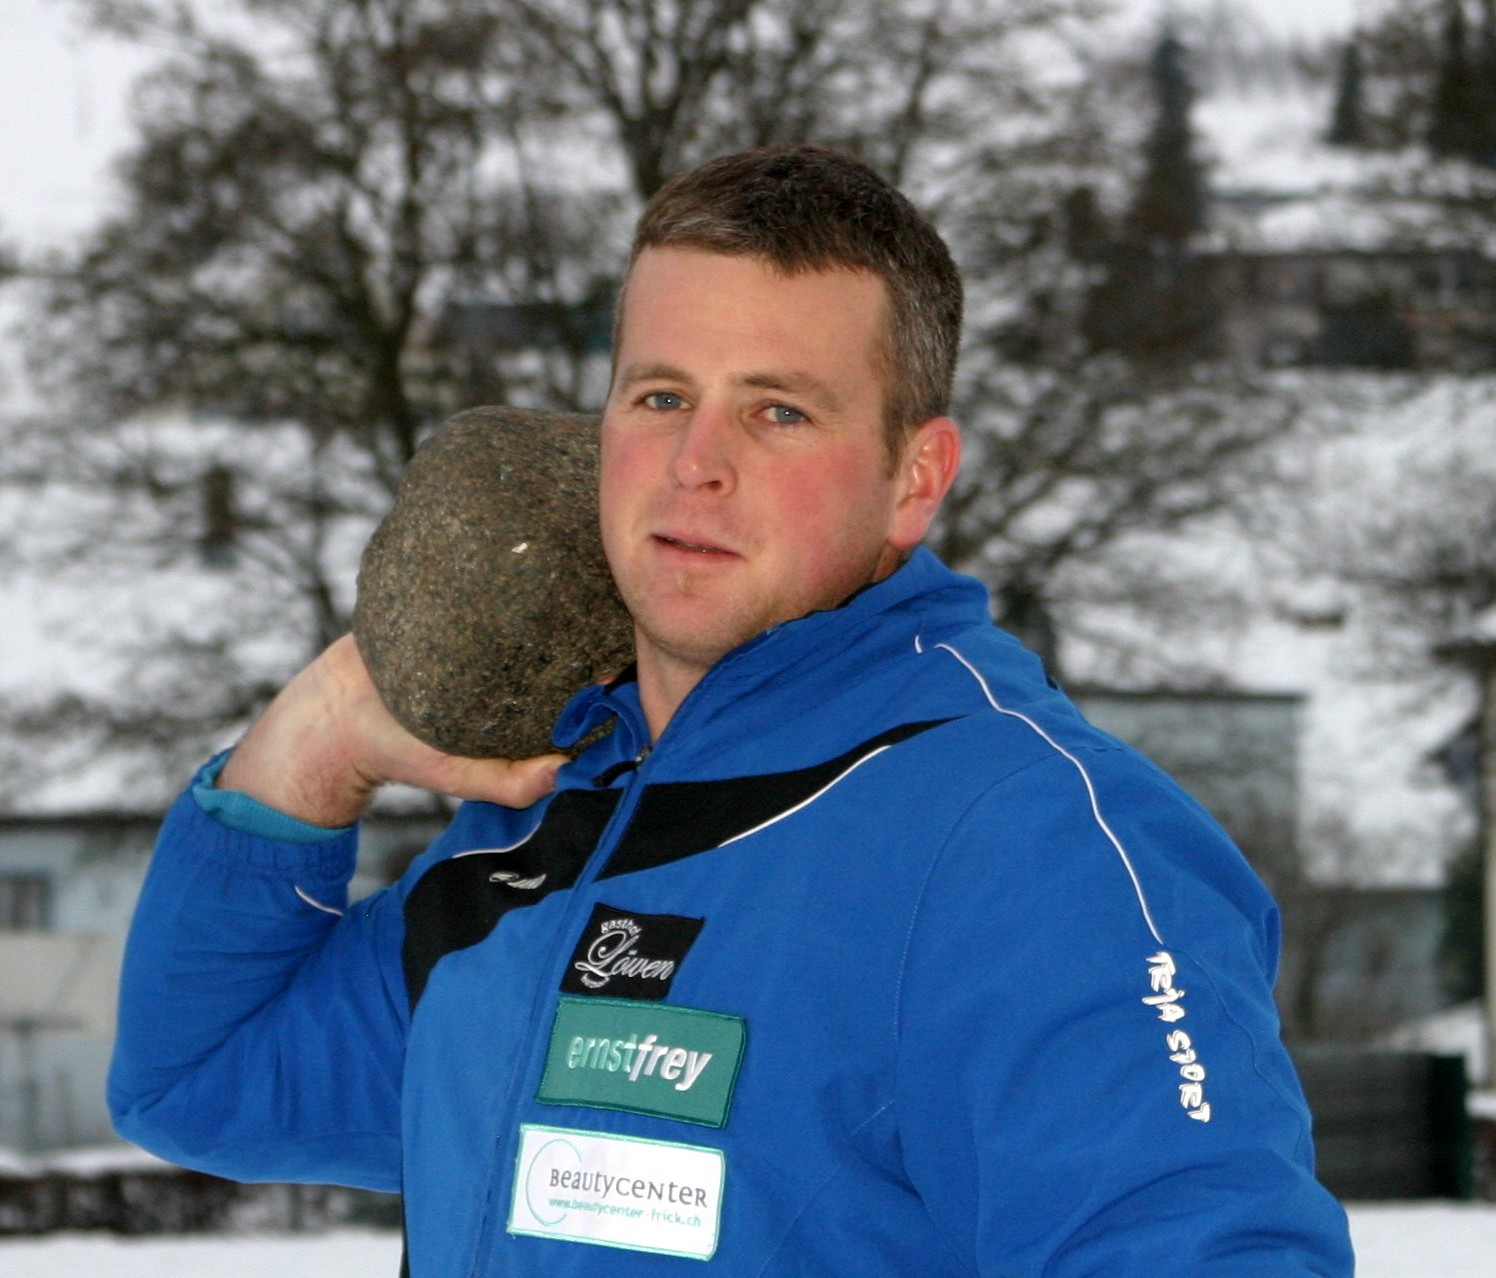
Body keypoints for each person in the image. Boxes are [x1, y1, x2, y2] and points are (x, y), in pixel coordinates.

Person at [109, 145, 1354, 1276]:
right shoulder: (547, 827)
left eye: (777, 411)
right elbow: (198, 1076)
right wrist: (318, 737)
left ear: (914, 479)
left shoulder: (1031, 847)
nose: (694, 462)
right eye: (658, 396)